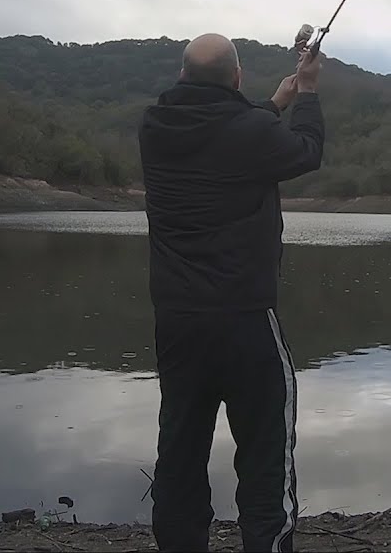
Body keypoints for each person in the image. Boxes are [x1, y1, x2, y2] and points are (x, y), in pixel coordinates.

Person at [137, 32, 325, 552]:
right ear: (237, 79)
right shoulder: (251, 133)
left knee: (179, 453)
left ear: (180, 76)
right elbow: (305, 152)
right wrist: (306, 92)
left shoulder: (155, 127)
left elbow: (227, 134)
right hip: (245, 320)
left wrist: (274, 104)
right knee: (265, 459)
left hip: (177, 323)